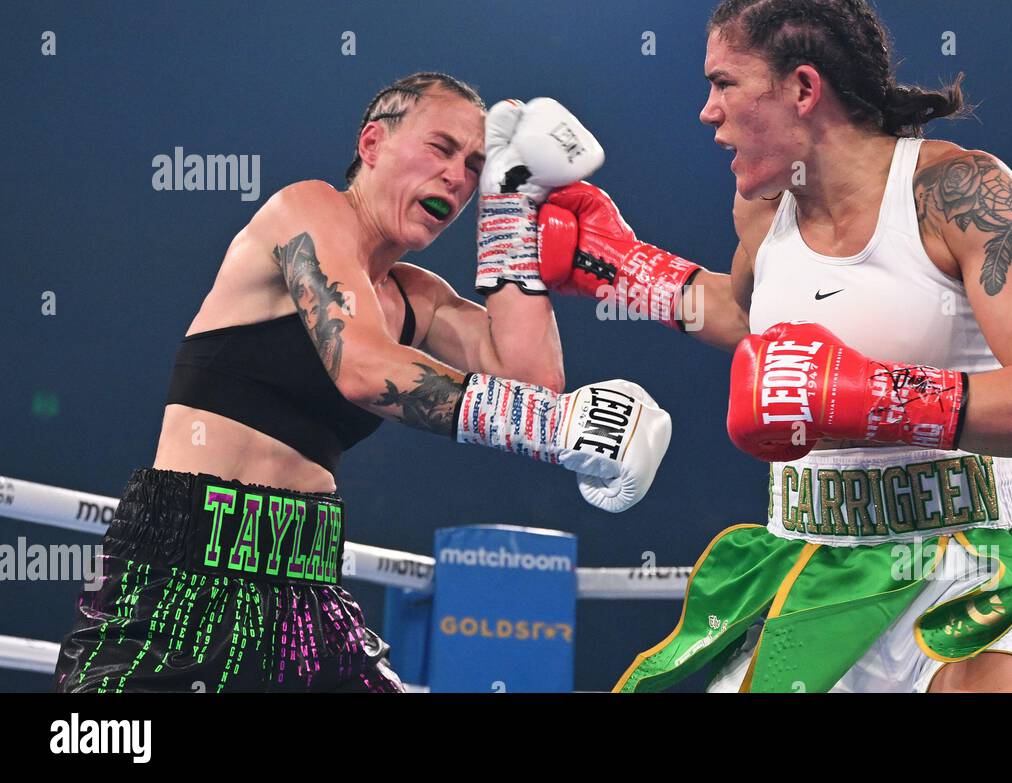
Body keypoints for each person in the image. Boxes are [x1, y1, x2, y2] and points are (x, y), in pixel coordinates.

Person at [527, 0, 1012, 692]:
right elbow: (754, 318)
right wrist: (620, 268)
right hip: (812, 561)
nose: (707, 112)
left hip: (972, 560)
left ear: (804, 89)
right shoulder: (763, 207)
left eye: (724, 82)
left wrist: (870, 396)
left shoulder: (961, 193)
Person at [53, 74, 671, 693]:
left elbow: (533, 383)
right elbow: (362, 368)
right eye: (441, 147)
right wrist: (552, 426)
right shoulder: (305, 209)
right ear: (372, 143)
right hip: (181, 574)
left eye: (476, 166)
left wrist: (512, 209)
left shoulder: (418, 297)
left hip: (307, 589)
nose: (458, 176)